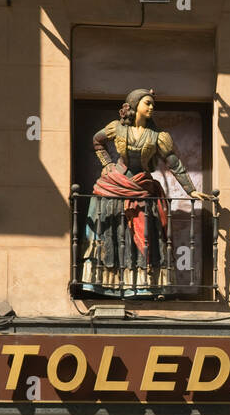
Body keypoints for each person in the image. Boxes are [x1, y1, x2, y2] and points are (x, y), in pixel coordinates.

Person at [84, 88, 214, 295]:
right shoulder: (116, 128)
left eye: (153, 104)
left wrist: (191, 191)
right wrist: (107, 163)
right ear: (134, 106)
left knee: (142, 235)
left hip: (142, 186)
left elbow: (174, 163)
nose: (152, 107)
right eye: (148, 103)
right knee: (114, 232)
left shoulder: (159, 136)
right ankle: (109, 283)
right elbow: (96, 140)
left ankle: (141, 285)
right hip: (114, 184)